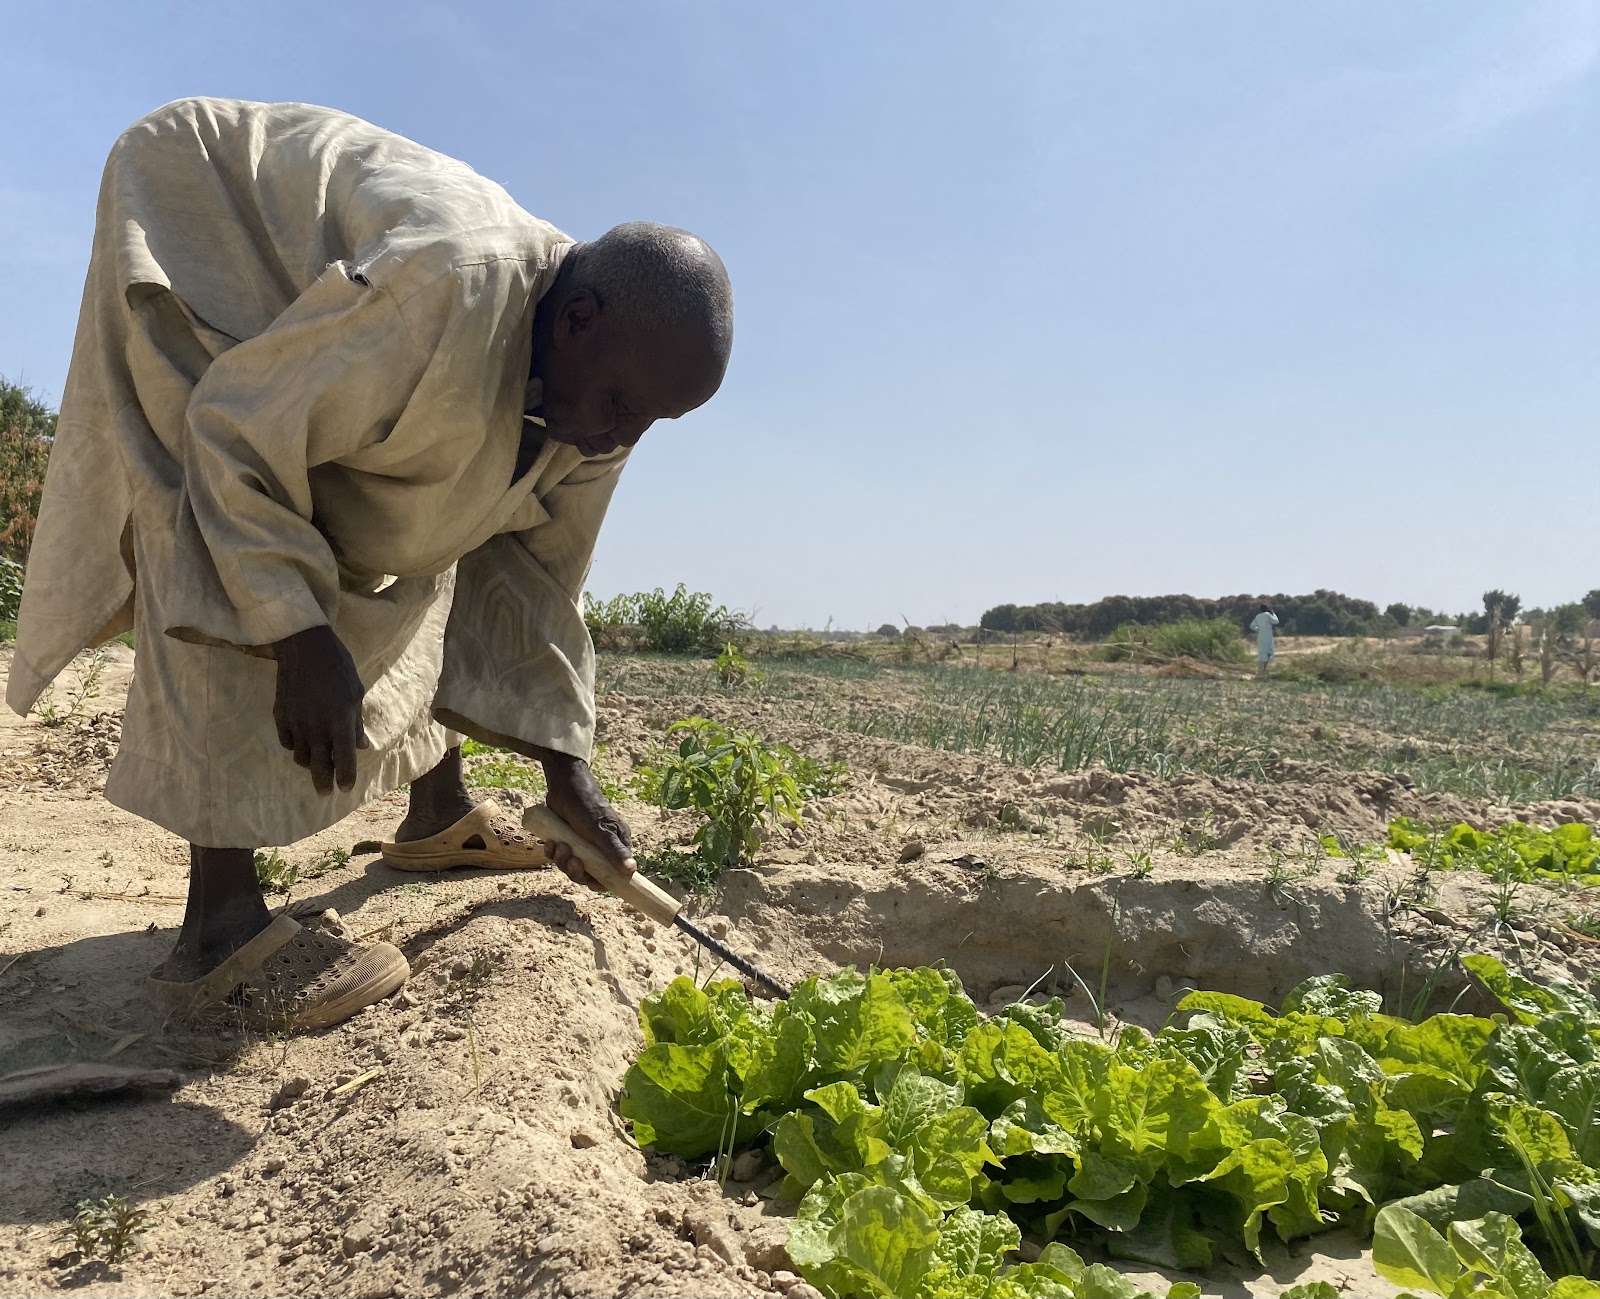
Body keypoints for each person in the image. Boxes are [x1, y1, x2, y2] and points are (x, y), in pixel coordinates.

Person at [7, 99, 733, 1031]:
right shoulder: (440, 289)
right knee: (212, 522)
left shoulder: (607, 376)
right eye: (625, 404)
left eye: (652, 423)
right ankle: (217, 931)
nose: (621, 435)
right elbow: (237, 430)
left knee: (447, 517)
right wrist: (301, 635)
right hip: (201, 222)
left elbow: (535, 572)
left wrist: (566, 770)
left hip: (343, 319)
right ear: (579, 320)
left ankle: (437, 813)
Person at [1249, 603, 1280, 678]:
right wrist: (1273, 614)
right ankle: (1264, 670)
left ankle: (1261, 670)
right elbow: (1276, 621)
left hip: (1260, 636)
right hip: (1268, 635)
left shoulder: (1258, 616)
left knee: (1261, 652)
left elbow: (1252, 626)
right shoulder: (1267, 615)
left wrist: (1258, 629)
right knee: (1269, 651)